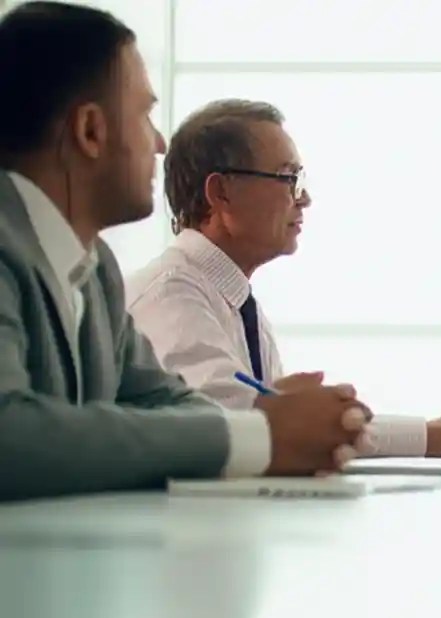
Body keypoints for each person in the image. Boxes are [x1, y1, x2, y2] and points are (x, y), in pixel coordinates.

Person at [0, 2, 368, 501]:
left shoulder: (95, 269)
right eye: (144, 114)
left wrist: (271, 421)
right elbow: (11, 435)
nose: (158, 143)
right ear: (90, 131)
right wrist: (261, 435)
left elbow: (161, 400)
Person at [127, 99, 441, 462]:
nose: (304, 197)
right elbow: (236, 425)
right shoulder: (171, 294)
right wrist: (426, 438)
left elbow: (274, 425)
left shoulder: (235, 299)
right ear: (221, 193)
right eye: (288, 177)